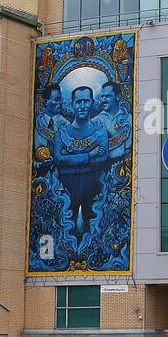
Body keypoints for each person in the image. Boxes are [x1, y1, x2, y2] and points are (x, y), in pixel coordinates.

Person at [54, 86, 108, 238]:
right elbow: (59, 159)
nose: (82, 105)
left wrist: (71, 159)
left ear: (92, 103)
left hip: (93, 186)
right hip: (66, 187)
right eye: (78, 102)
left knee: (92, 227)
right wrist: (89, 154)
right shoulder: (62, 133)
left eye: (86, 101)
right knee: (65, 227)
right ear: (72, 104)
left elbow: (102, 159)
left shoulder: (100, 131)